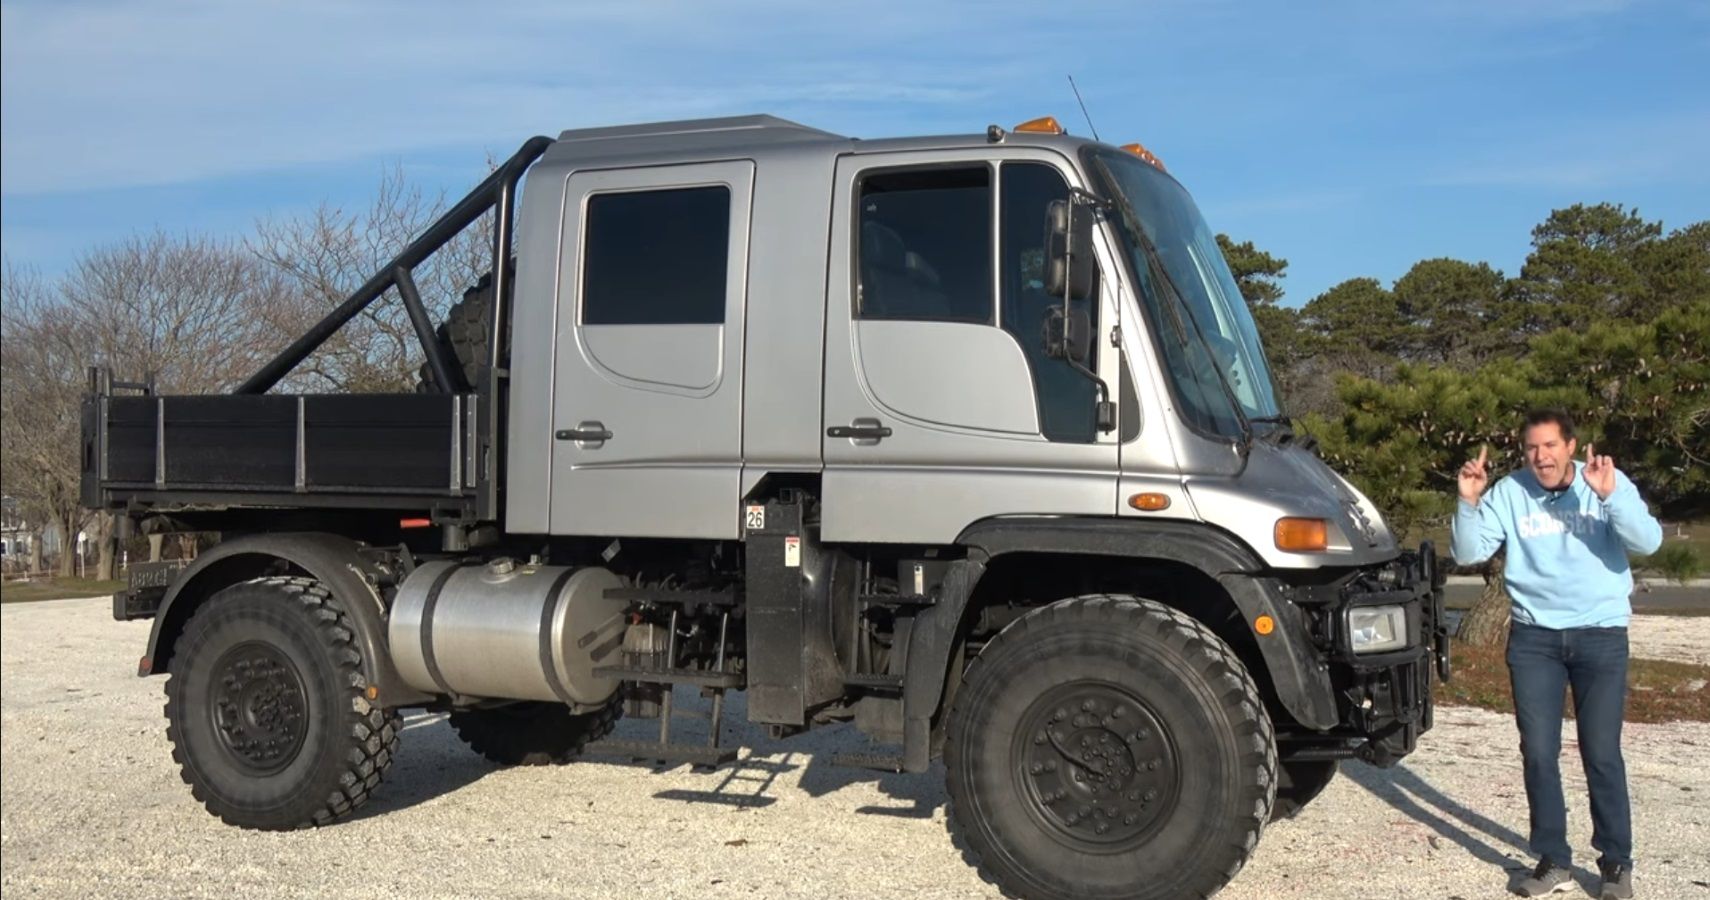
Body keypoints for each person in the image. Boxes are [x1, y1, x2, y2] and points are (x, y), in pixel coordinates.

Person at [1452, 409, 1662, 899]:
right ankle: (1553, 860)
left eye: (1550, 446)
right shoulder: (1508, 492)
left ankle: (1615, 863)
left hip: (1600, 635)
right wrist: (1468, 503)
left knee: (1602, 752)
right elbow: (1467, 553)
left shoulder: (1604, 481)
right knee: (1539, 752)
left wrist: (1611, 497)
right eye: (1531, 447)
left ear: (1570, 446)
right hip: (1535, 640)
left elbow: (1647, 542)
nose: (1540, 456)